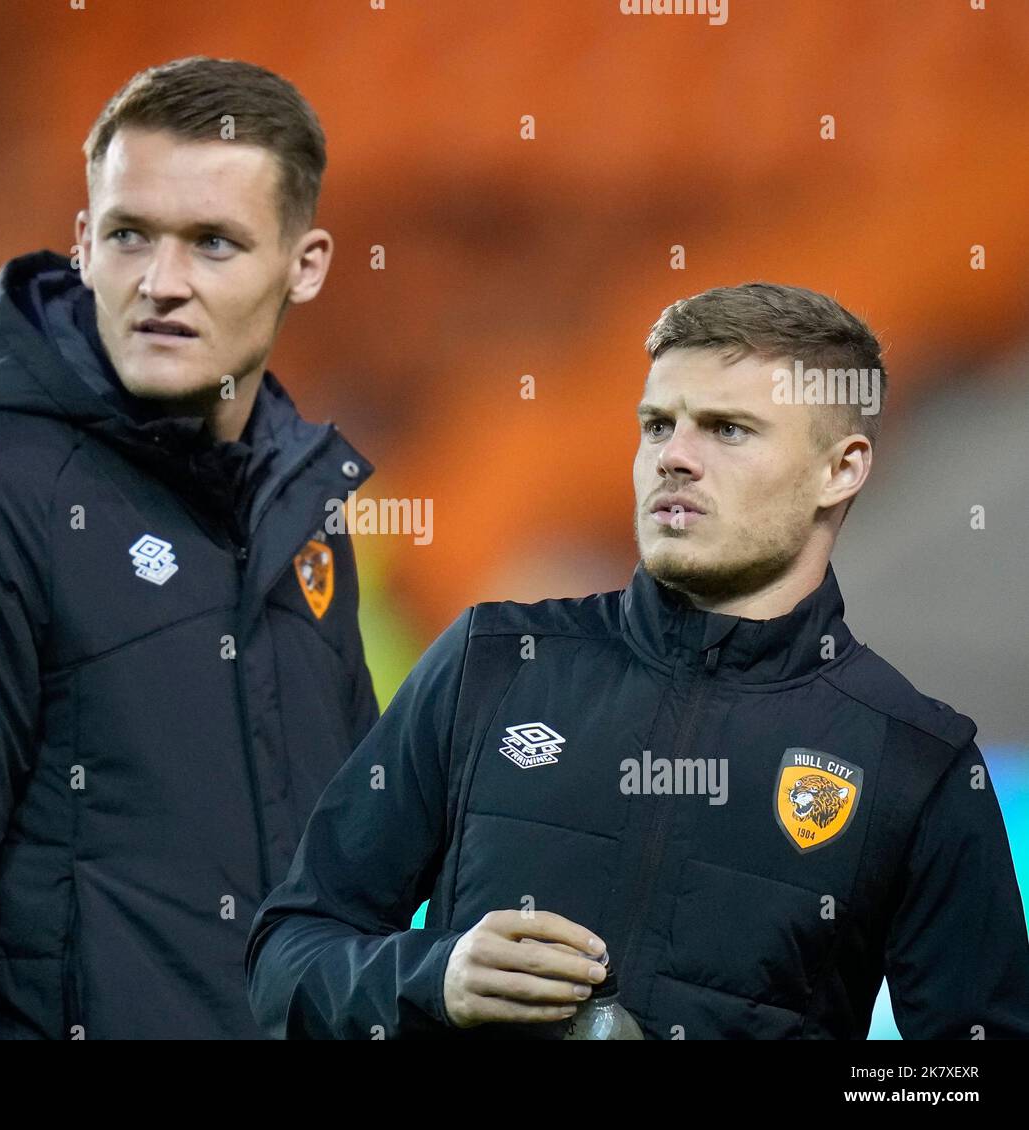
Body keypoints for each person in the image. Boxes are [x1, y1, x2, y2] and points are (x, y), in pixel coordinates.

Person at [245, 282, 1029, 1040]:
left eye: (727, 429)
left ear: (841, 469)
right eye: (658, 425)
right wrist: (434, 981)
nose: (673, 459)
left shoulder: (918, 762)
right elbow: (287, 956)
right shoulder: (492, 662)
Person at [0, 56, 379, 1039]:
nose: (161, 283)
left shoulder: (303, 518)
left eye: (212, 242)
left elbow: (340, 888)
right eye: (130, 235)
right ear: (84, 240)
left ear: (308, 262)